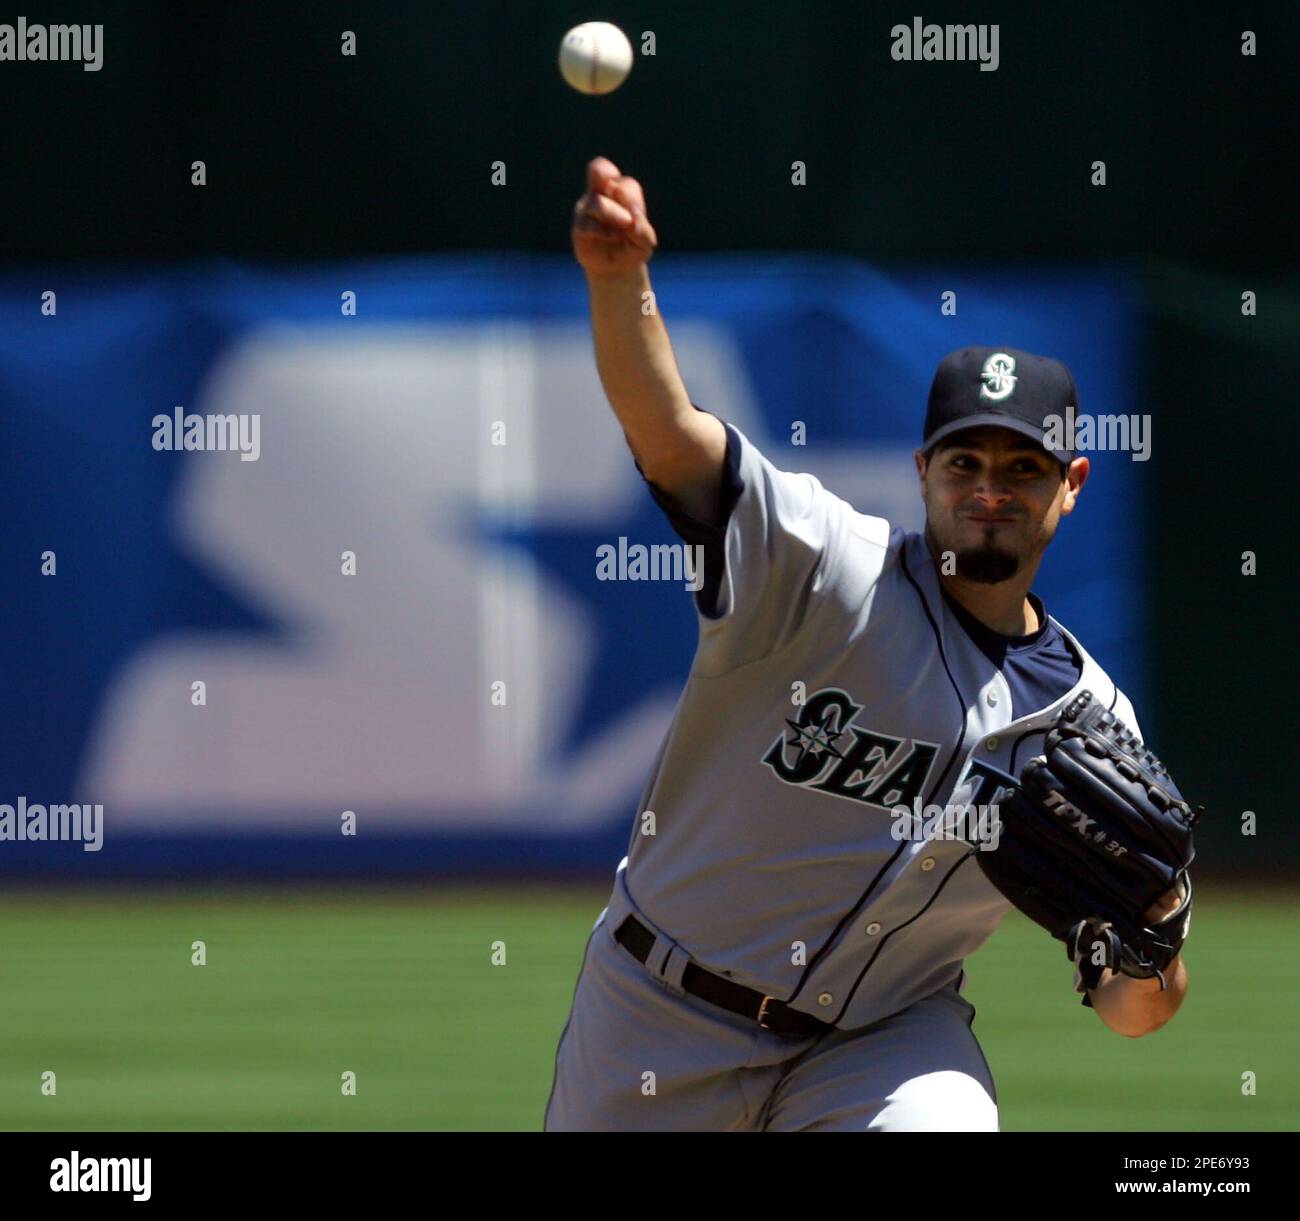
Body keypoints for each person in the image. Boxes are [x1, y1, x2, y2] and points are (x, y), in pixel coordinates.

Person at [545, 156, 1187, 1132]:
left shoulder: (1093, 723)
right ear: (923, 472)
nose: (989, 488)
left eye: (1023, 466)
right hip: (656, 1012)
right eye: (966, 460)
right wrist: (617, 279)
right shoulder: (818, 572)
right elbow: (669, 433)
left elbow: (1133, 1016)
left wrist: (1156, 940)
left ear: (1073, 485)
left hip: (884, 1041)